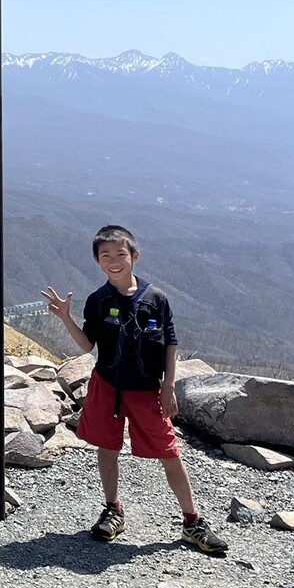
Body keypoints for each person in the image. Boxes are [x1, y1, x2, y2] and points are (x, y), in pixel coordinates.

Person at [41, 224, 228, 555]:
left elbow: (170, 343)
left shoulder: (157, 299)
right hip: (108, 386)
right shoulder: (98, 301)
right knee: (107, 446)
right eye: (106, 256)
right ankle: (113, 509)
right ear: (97, 261)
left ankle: (192, 521)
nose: (114, 261)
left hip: (146, 390)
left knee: (169, 451)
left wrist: (169, 386)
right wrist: (65, 318)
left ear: (135, 256)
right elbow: (87, 347)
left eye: (120, 254)